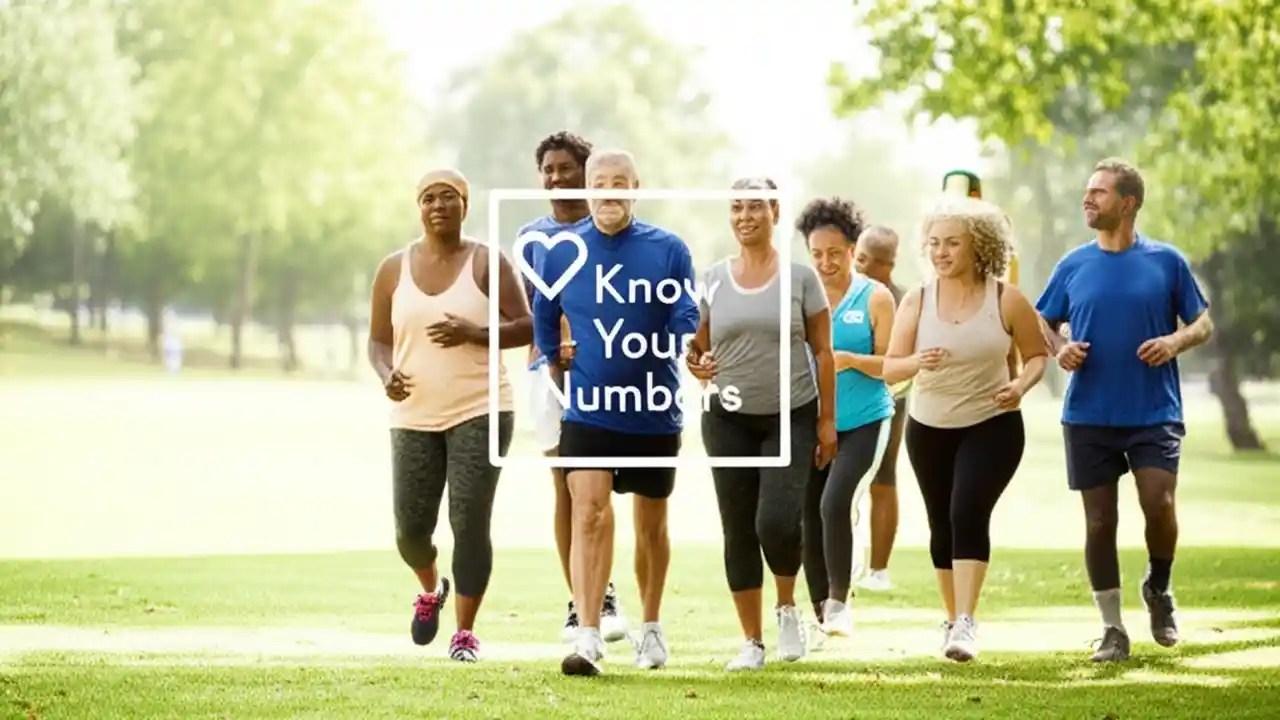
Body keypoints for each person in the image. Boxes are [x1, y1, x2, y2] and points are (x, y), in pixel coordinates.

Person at [1035, 158, 1213, 663]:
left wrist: (1174, 341)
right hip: (1089, 414)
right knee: (1098, 523)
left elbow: (1203, 324)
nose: (1087, 200)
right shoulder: (1072, 265)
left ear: (1128, 203)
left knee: (1159, 504)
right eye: (1087, 191)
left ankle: (1158, 586)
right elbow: (1043, 319)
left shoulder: (1167, 261)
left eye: (1099, 193)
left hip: (1153, 410)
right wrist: (1059, 348)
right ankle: (1112, 630)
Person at [532, 149, 699, 677]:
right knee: (589, 511)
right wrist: (554, 357)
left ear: (635, 188)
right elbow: (544, 312)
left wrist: (680, 344)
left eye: (618, 183)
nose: (608, 192)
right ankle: (587, 634)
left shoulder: (669, 248)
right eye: (599, 183)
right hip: (588, 407)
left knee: (651, 524)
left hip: (653, 408)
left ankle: (650, 627)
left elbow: (686, 311)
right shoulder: (561, 252)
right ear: (586, 189)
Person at [366, 168, 533, 662]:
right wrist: (384, 372)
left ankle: (465, 632)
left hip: (480, 408)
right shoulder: (393, 270)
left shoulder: (487, 262)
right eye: (427, 199)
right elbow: (377, 340)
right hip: (414, 411)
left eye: (448, 197)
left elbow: (525, 326)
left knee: (469, 520)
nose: (437, 206)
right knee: (410, 530)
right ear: (418, 208)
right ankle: (430, 587)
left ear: (465, 204)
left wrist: (475, 333)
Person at [881, 195, 1048, 662]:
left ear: (980, 247)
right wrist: (918, 361)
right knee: (941, 522)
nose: (941, 252)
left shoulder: (1006, 299)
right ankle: (953, 620)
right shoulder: (917, 299)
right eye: (934, 243)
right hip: (929, 427)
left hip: (993, 424)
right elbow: (892, 369)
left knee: (966, 510)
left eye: (952, 243)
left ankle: (967, 622)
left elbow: (1037, 356)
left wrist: (1019, 386)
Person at [684, 177, 837, 671]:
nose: (745, 216)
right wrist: (697, 364)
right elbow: (696, 346)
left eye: (755, 207)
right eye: (736, 208)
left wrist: (828, 421)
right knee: (738, 528)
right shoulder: (712, 278)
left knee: (774, 520)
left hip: (791, 414)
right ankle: (751, 641)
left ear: (775, 211)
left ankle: (788, 609)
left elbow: (823, 351)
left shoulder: (800, 279)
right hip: (727, 418)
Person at [516, 131, 628, 644]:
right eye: (548, 169)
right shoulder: (530, 239)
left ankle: (606, 594)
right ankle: (584, 599)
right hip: (550, 379)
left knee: (602, 490)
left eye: (567, 168)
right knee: (566, 486)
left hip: (608, 376)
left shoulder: (607, 229)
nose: (557, 177)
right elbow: (526, 316)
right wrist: (549, 347)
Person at [797, 197, 896, 639]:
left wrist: (851, 359)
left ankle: (840, 601)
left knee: (834, 503)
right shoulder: (798, 295)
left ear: (853, 250)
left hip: (864, 419)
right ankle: (821, 609)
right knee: (807, 513)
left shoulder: (874, 297)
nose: (825, 262)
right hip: (812, 420)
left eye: (834, 253)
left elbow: (890, 364)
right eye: (816, 254)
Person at [852, 225, 908, 592]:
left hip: (890, 398)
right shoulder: (846, 292)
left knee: (883, 479)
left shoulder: (902, 300)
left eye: (862, 260)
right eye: (856, 257)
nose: (855, 266)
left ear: (886, 266)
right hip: (844, 396)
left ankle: (879, 570)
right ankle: (847, 562)